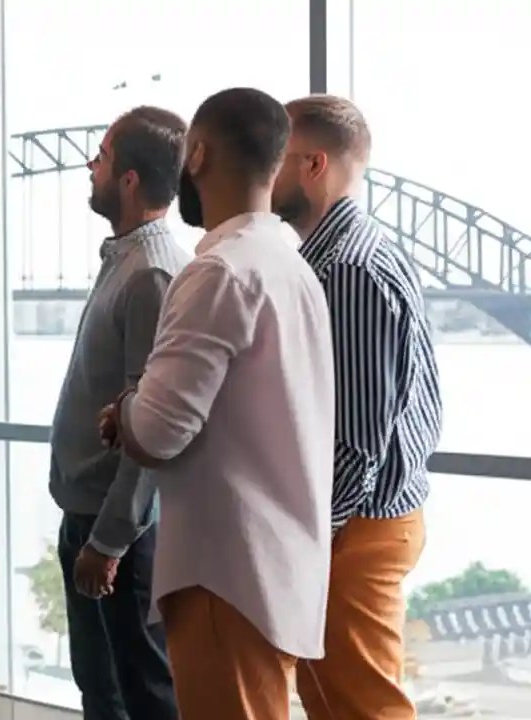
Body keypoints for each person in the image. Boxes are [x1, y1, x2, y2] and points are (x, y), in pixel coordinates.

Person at [99, 87, 336, 720]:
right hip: (277, 565)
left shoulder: (219, 272)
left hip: (224, 570)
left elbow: (159, 429)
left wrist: (123, 411)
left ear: (197, 155)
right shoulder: (290, 265)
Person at [273, 94, 442, 720]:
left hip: (355, 530)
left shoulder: (346, 268)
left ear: (313, 165)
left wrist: (310, 539)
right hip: (366, 523)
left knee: (361, 709)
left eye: (276, 156)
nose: (262, 171)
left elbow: (354, 440)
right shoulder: (354, 252)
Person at [47, 106, 186, 720]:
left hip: (120, 532)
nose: (90, 165)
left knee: (141, 695)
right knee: (100, 690)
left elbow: (153, 424)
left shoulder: (151, 274)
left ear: (128, 179)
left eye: (101, 157)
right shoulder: (126, 259)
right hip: (91, 518)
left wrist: (107, 542)